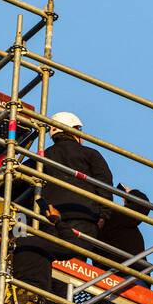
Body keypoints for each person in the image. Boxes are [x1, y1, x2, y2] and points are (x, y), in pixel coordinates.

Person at [40, 111, 113, 258]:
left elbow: (24, 182)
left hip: (51, 217)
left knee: (53, 266)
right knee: (75, 264)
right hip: (84, 216)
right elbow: (104, 183)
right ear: (73, 130)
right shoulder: (90, 154)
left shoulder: (42, 157)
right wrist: (104, 215)